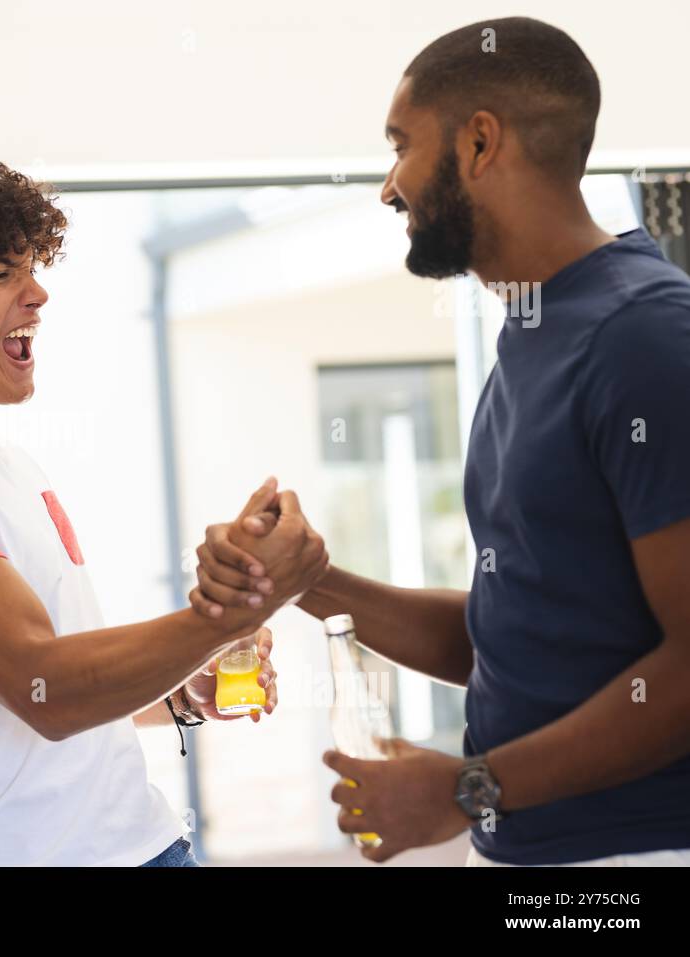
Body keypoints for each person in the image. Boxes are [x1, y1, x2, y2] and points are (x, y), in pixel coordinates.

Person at [193, 17, 690, 866]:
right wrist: (302, 580)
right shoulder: (533, 335)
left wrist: (468, 786)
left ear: (480, 143)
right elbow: (509, 640)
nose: (389, 187)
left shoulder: (643, 336)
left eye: (401, 147)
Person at [0, 161, 328, 866]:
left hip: (138, 842)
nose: (38, 293)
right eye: (0, 275)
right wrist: (226, 614)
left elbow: (48, 694)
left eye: (32, 268)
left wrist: (181, 689)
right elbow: (41, 685)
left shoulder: (5, 467)